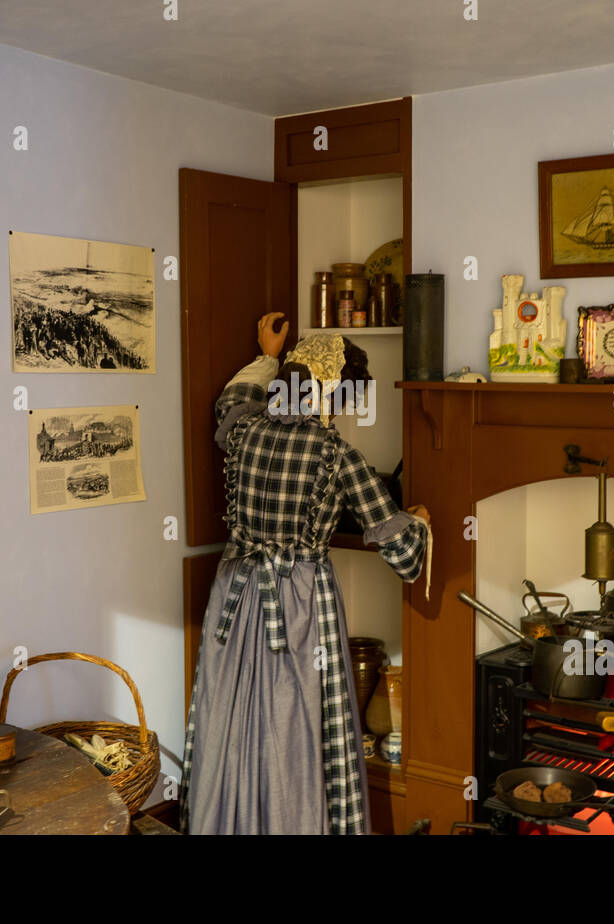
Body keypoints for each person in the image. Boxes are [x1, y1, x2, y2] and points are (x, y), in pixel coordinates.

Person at [180, 312, 430, 835]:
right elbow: (404, 555)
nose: (346, 412)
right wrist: (421, 523)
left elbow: (229, 399)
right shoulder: (337, 455)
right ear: (331, 395)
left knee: (231, 719)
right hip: (296, 605)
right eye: (346, 400)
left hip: (235, 591)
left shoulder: (242, 430)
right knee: (296, 724)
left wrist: (268, 354)